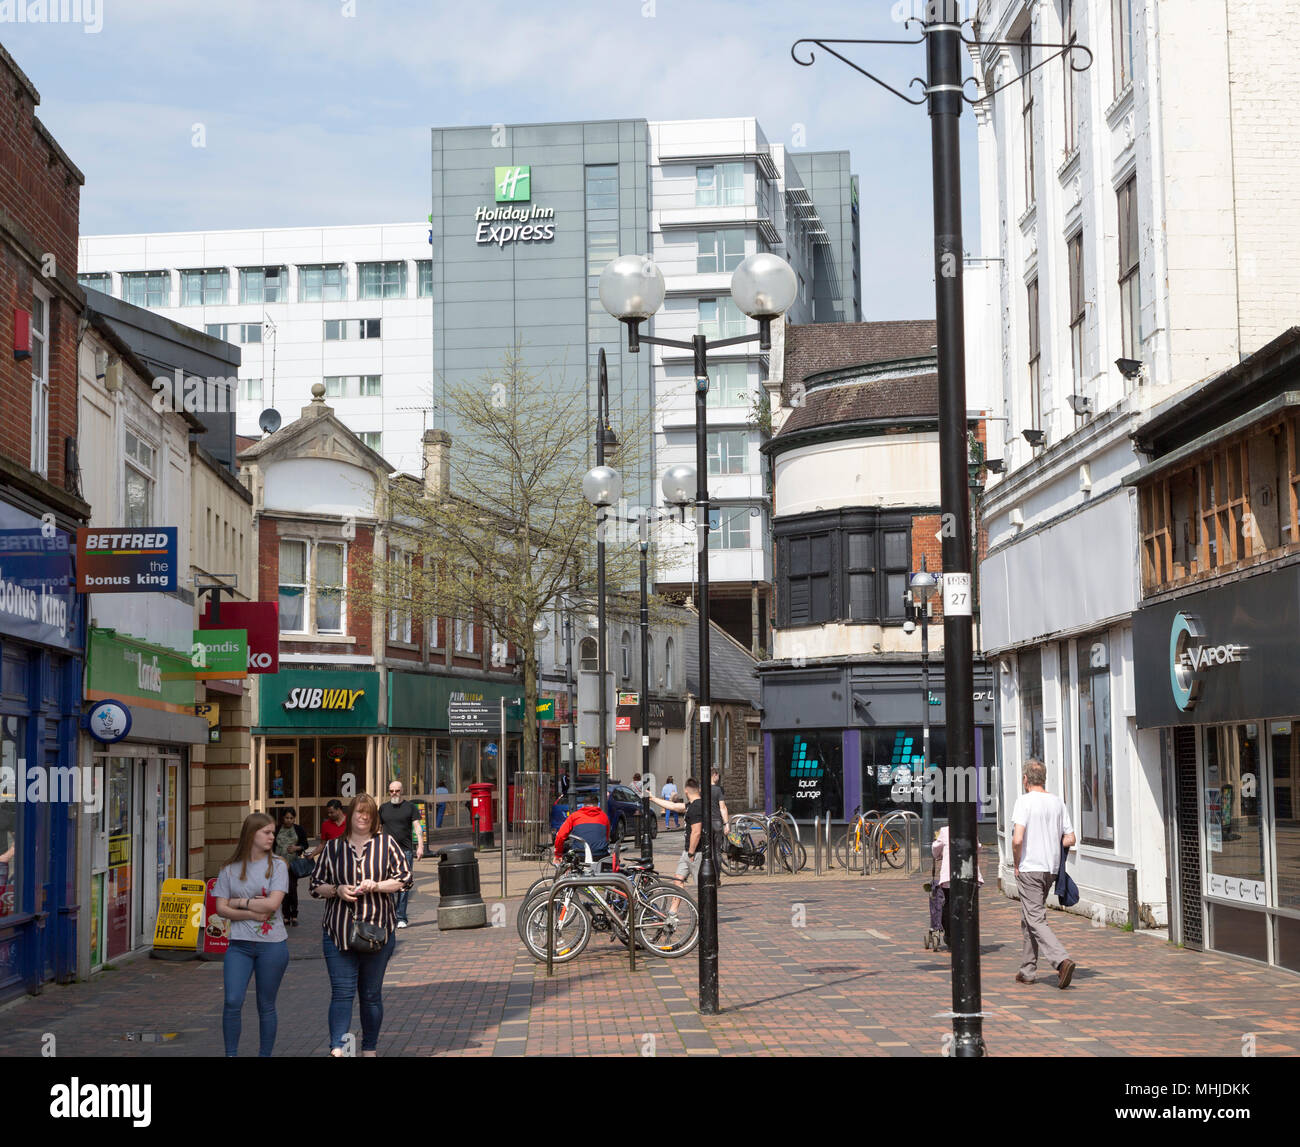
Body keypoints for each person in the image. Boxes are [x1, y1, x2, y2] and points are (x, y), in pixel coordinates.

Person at [310, 792, 413, 1057]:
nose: (363, 817)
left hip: (378, 931)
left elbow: (404, 879)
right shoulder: (333, 847)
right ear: (350, 815)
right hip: (338, 931)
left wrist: (377, 885)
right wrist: (337, 889)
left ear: (374, 817)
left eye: (368, 813)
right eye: (359, 812)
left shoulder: (386, 844)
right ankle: (339, 1048)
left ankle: (369, 1049)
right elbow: (315, 885)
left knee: (370, 995)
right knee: (342, 993)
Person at [213, 813, 290, 1057]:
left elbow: (272, 905)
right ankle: (231, 1054)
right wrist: (251, 913)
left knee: (265, 1005)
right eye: (266, 832)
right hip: (239, 946)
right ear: (251, 834)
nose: (272, 836)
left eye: (272, 832)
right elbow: (220, 909)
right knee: (232, 1001)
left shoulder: (278, 865)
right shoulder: (229, 868)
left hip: (272, 945)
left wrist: (240, 902)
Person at [1011, 759, 1078, 989]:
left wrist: (1016, 863)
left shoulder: (1024, 802)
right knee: (1030, 916)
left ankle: (1061, 961)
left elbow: (1018, 838)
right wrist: (1052, 840)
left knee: (1035, 918)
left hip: (1030, 867)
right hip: (1051, 869)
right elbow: (1070, 838)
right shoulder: (1057, 802)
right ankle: (1027, 970)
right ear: (1044, 778)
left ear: (1026, 780)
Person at [379, 781, 425, 929]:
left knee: (403, 885)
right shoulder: (383, 808)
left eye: (397, 791)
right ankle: (390, 915)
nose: (394, 793)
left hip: (405, 851)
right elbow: (377, 829)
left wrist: (420, 846)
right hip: (386, 852)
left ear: (402, 791)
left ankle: (401, 917)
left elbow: (417, 827)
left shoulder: (410, 807)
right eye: (391, 791)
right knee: (387, 884)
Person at [930, 824, 984, 948]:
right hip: (969, 875)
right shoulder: (970, 828)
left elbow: (935, 848)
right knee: (969, 904)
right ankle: (968, 935)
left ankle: (949, 934)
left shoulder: (944, 831)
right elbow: (977, 847)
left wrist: (939, 855)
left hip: (951, 876)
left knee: (948, 903)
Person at [648, 778, 704, 887]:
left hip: (696, 852)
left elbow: (696, 833)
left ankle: (703, 904)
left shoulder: (697, 807)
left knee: (701, 886)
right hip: (688, 851)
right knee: (678, 880)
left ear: (686, 791)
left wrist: (691, 852)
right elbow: (673, 806)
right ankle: (674, 905)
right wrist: (653, 799)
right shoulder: (691, 805)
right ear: (699, 789)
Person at [553, 790, 611, 862]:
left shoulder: (574, 816)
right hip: (601, 856)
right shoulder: (604, 817)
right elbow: (607, 838)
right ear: (597, 805)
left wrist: (558, 854)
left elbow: (560, 836)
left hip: (580, 855)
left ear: (584, 805)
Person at [274, 808, 309, 926]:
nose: (289, 820)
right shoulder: (277, 829)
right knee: (282, 890)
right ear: (282, 818)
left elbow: (305, 844)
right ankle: (286, 915)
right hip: (279, 865)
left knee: (292, 889)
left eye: (291, 818)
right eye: (286, 818)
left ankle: (294, 914)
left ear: (294, 818)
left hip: (293, 865)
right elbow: (271, 846)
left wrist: (296, 848)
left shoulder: (299, 829)